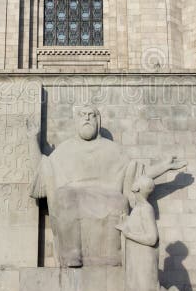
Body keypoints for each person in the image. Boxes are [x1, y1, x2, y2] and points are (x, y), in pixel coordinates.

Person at [28, 105, 185, 268]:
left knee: (119, 202)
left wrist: (164, 166)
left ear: (98, 120)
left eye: (91, 115)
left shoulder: (114, 150)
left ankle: (111, 256)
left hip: (107, 199)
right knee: (66, 197)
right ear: (76, 121)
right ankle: (72, 253)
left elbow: (138, 176)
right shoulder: (64, 150)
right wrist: (32, 139)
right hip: (72, 198)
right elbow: (43, 172)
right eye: (83, 115)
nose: (87, 118)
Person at [117, 174, 182, 291]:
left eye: (135, 183)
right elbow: (138, 227)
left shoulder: (146, 209)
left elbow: (152, 238)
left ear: (137, 188)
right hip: (136, 258)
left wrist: (128, 234)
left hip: (144, 259)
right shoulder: (137, 209)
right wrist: (127, 222)